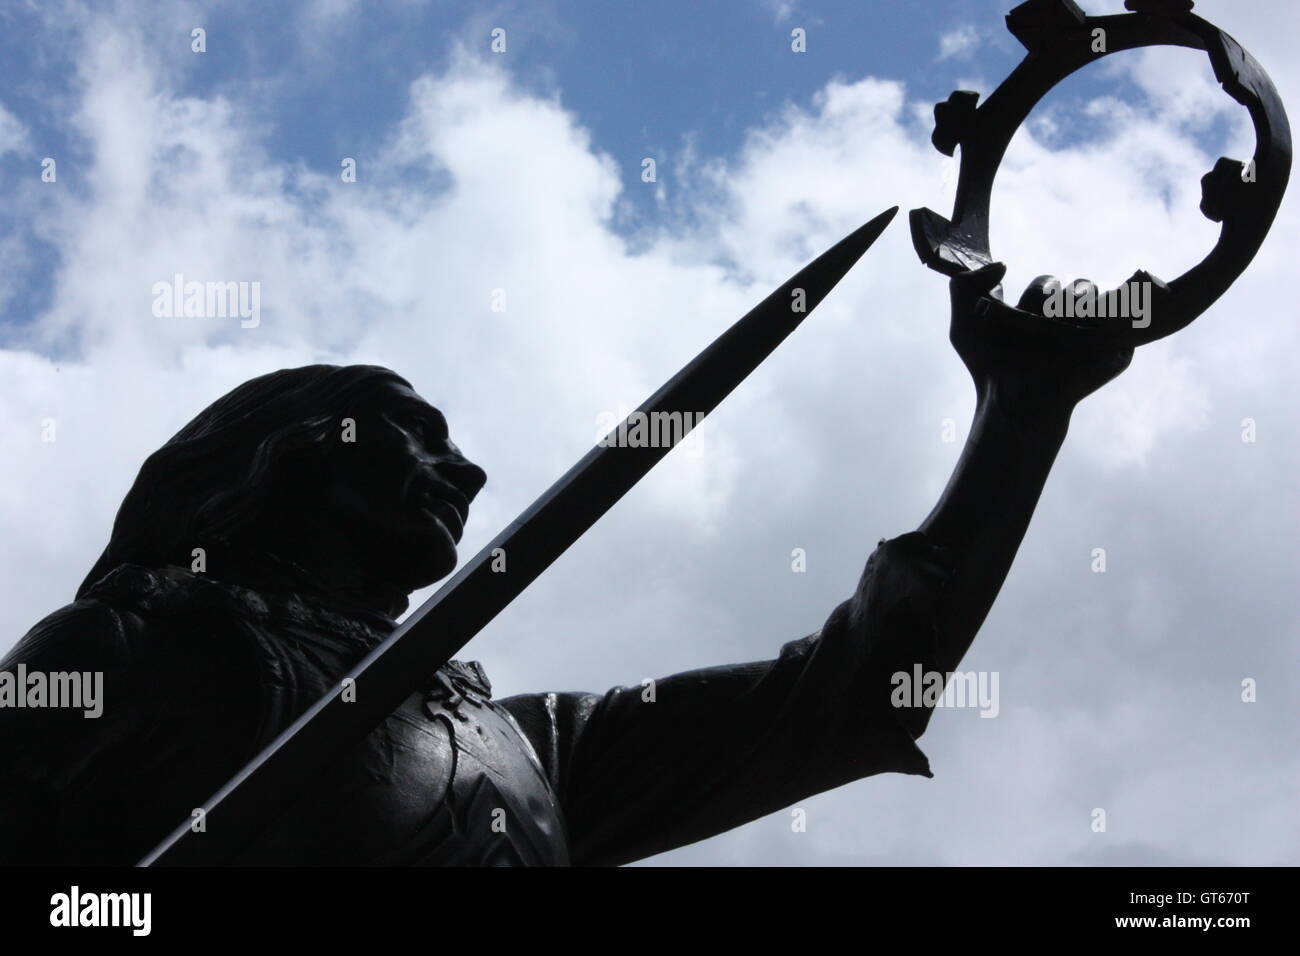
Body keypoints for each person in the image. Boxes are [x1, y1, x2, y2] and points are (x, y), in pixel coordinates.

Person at [0, 263, 1131, 865]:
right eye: (412, 430)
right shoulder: (119, 652)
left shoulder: (529, 749)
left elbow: (856, 693)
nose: (467, 468)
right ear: (286, 451)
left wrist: (1023, 410)